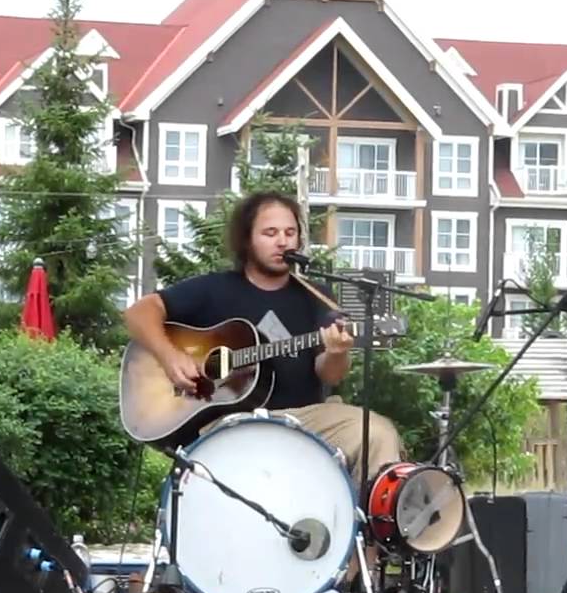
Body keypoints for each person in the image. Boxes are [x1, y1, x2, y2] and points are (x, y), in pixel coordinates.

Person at [123, 191, 402, 486]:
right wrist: (171, 356)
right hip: (227, 424)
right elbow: (138, 313)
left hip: (303, 418)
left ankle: (375, 528)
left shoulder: (317, 297)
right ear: (247, 240)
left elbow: (330, 373)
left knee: (377, 432)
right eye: (270, 233)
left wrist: (337, 352)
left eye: (290, 233)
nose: (283, 241)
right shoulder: (214, 289)